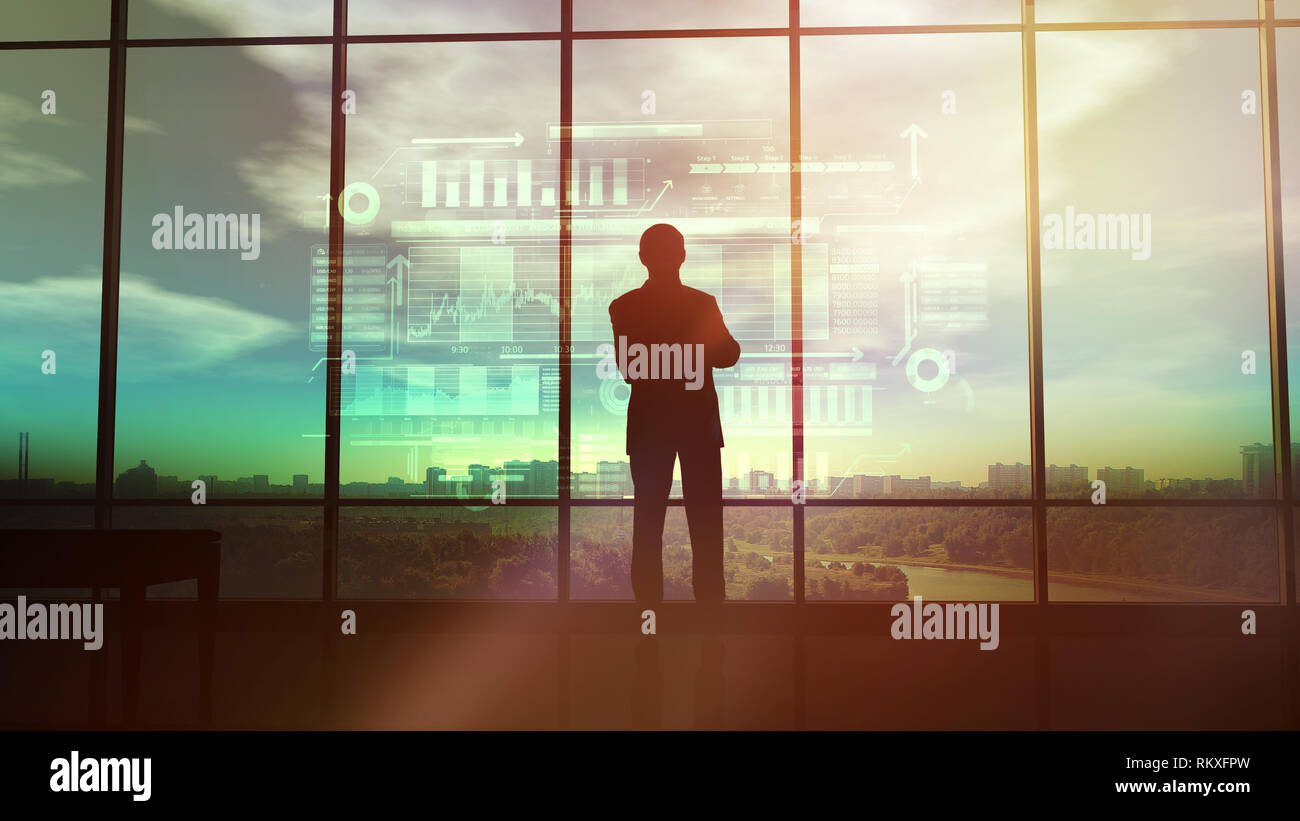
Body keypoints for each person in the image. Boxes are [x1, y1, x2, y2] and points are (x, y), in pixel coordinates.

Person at [608, 223, 741, 606]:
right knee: (706, 528)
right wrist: (697, 342)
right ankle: (711, 621)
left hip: (650, 430)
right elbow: (728, 355)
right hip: (698, 428)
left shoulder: (624, 307)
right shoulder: (702, 304)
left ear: (642, 258)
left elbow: (630, 369)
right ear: (682, 255)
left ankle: (648, 621)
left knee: (647, 529)